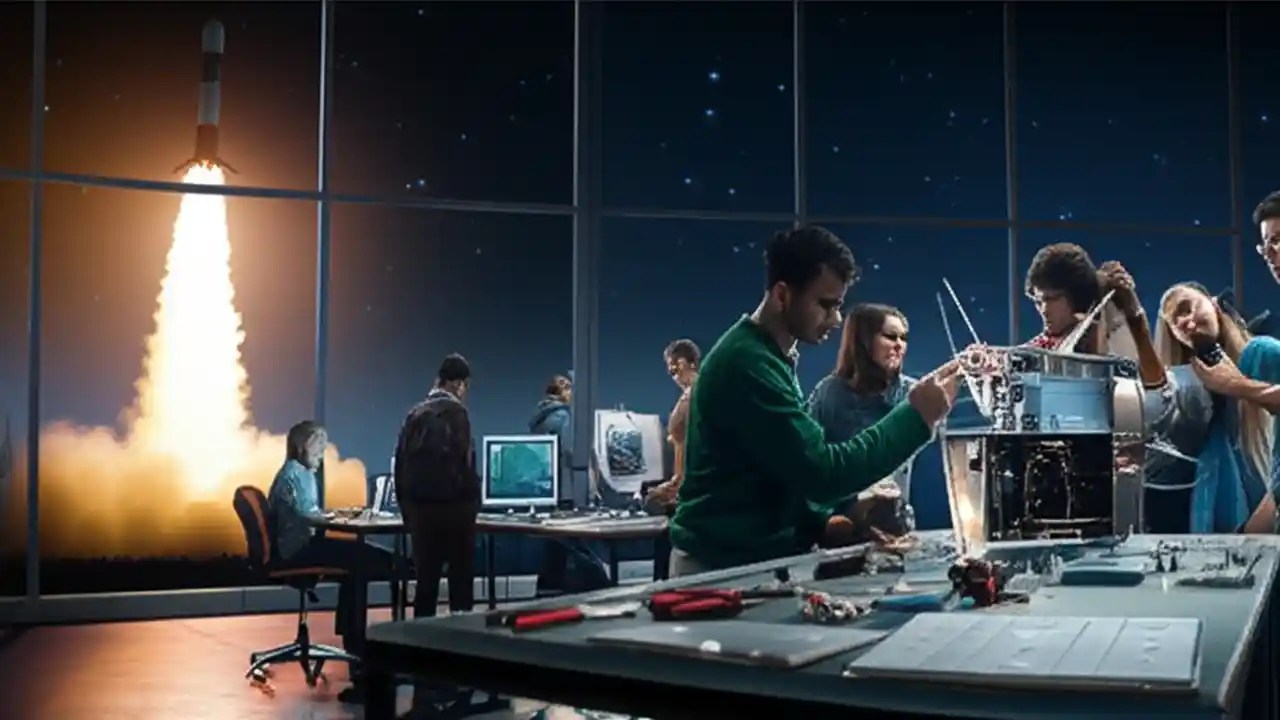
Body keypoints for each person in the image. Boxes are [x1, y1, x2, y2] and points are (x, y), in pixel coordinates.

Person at [668, 226, 962, 576]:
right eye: (826, 305)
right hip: (720, 571)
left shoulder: (766, 357)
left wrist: (827, 519)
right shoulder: (749, 364)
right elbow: (821, 472)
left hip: (744, 564)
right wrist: (915, 417)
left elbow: (773, 473)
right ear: (782, 295)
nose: (836, 319)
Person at [1154, 283, 1280, 533]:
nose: (1187, 321)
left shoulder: (1261, 353)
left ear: (1213, 303)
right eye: (1176, 319)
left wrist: (1237, 385)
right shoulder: (1196, 392)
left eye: (1190, 307)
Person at [266, 420, 394, 643]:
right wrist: (343, 517)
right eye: (318, 443)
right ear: (301, 445)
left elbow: (309, 512)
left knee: (359, 558)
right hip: (298, 551)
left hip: (296, 547)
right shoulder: (297, 474)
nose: (322, 451)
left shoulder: (294, 472)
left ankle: (351, 632)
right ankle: (356, 637)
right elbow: (309, 515)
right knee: (363, 558)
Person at [394, 354, 480, 618]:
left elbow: (400, 467)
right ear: (459, 384)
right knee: (460, 587)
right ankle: (461, 647)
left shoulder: (414, 414)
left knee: (426, 585)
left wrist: (408, 514)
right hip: (456, 514)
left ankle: (421, 647)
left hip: (422, 515)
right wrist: (474, 509)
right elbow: (466, 465)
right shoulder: (458, 413)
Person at [645, 339, 701, 510]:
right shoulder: (690, 394)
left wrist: (676, 486)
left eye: (673, 364)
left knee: (652, 503)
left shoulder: (697, 394)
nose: (670, 371)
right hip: (683, 481)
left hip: (690, 484)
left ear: (684, 362)